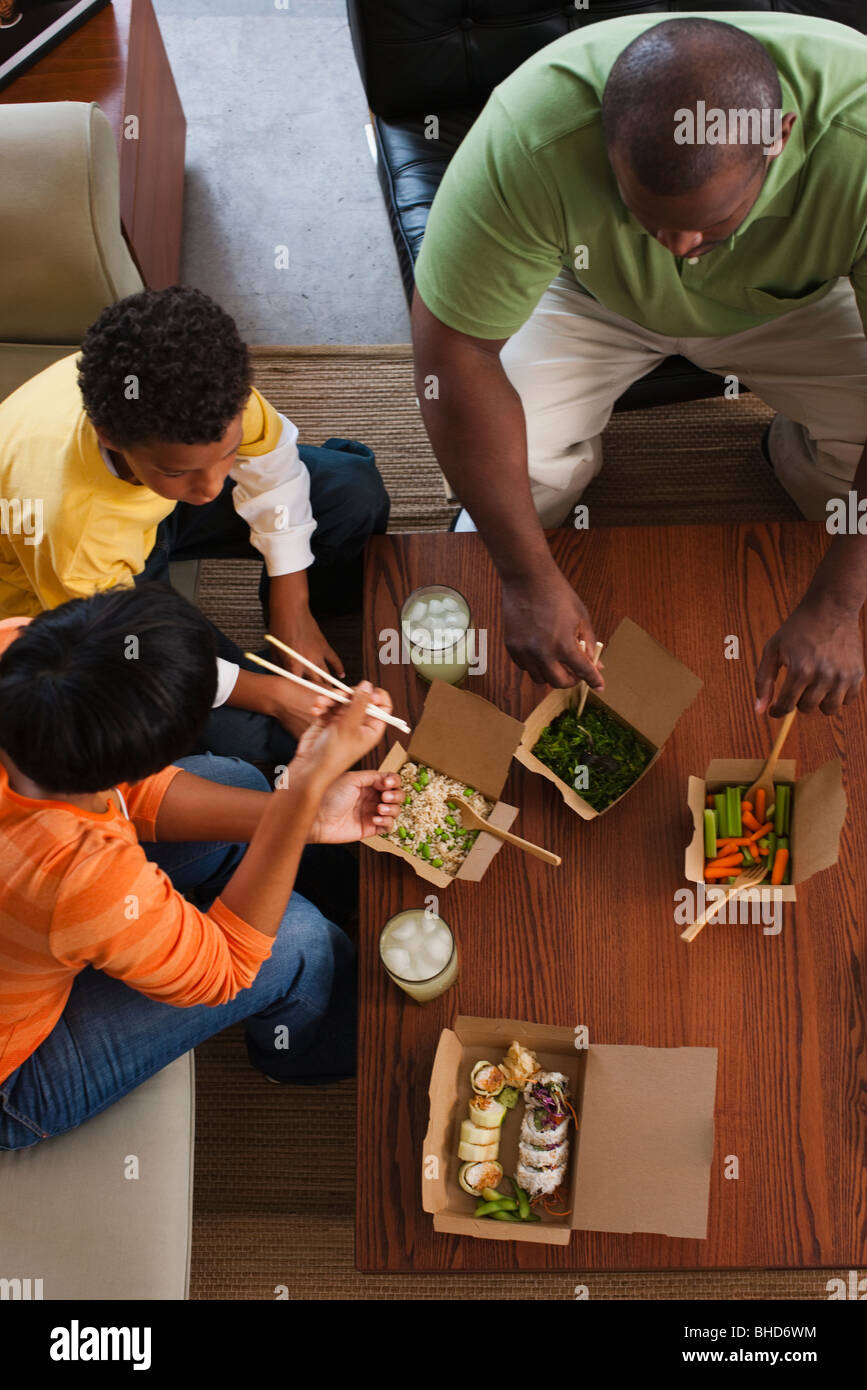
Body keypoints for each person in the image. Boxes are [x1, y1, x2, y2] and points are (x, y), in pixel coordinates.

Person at [412, 13, 867, 718]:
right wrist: (524, 576)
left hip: (788, 302)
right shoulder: (531, 133)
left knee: (852, 466)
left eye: (712, 224)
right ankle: (565, 475)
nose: (680, 248)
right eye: (648, 217)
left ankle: (800, 455)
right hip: (593, 292)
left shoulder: (860, 137)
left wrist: (839, 603)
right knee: (504, 479)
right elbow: (454, 353)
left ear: (778, 139)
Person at [0, 586, 400, 1150]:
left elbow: (131, 788)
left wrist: (297, 817)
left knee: (238, 782)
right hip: (13, 1072)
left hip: (33, 926)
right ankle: (295, 1053)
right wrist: (304, 791)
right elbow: (226, 969)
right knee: (299, 938)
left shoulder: (17, 648)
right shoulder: (79, 872)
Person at [0, 285, 390, 764]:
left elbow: (271, 466)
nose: (211, 488)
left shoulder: (206, 386)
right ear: (111, 438)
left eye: (228, 454)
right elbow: (128, 647)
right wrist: (269, 695)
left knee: (351, 490)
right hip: (82, 592)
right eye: (181, 470)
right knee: (270, 741)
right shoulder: (72, 528)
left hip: (151, 505)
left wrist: (294, 601)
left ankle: (309, 629)